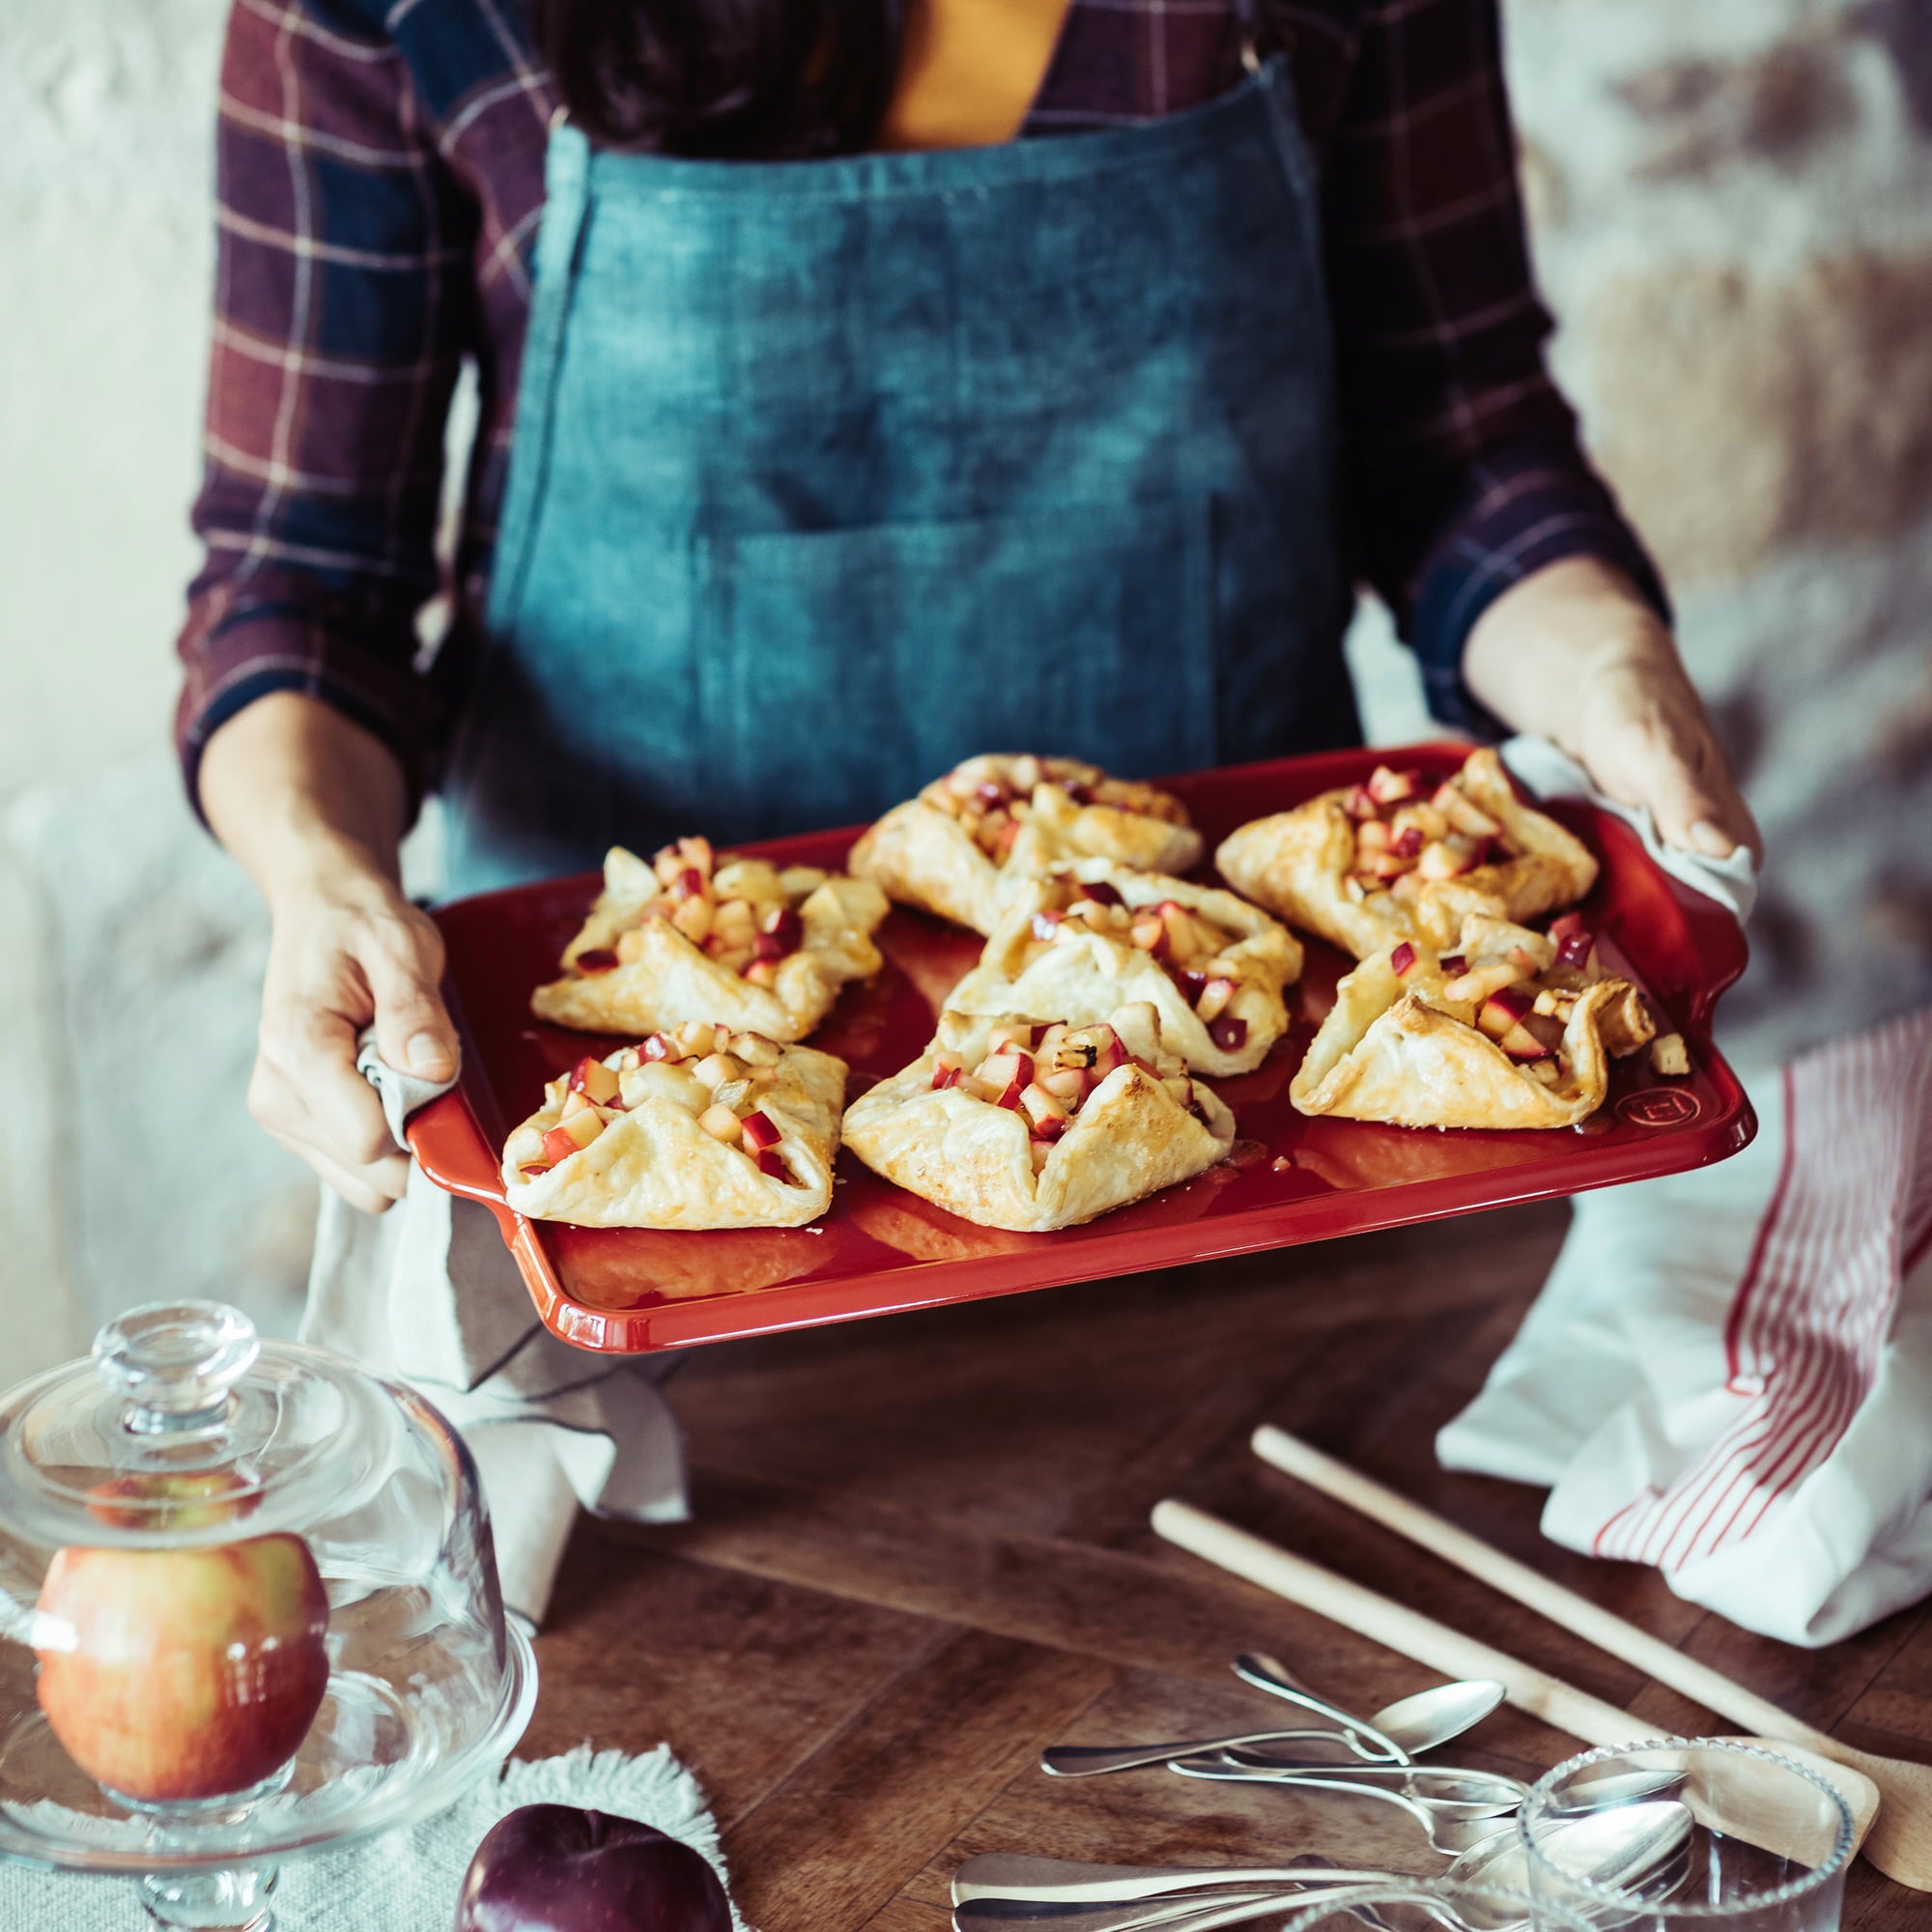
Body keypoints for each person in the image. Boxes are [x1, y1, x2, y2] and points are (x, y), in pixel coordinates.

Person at [180, 0, 1757, 1215]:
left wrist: (1609, 662)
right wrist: (320, 876)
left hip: (1286, 1155)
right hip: (605, 1140)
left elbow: (1460, 442)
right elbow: (301, 587)